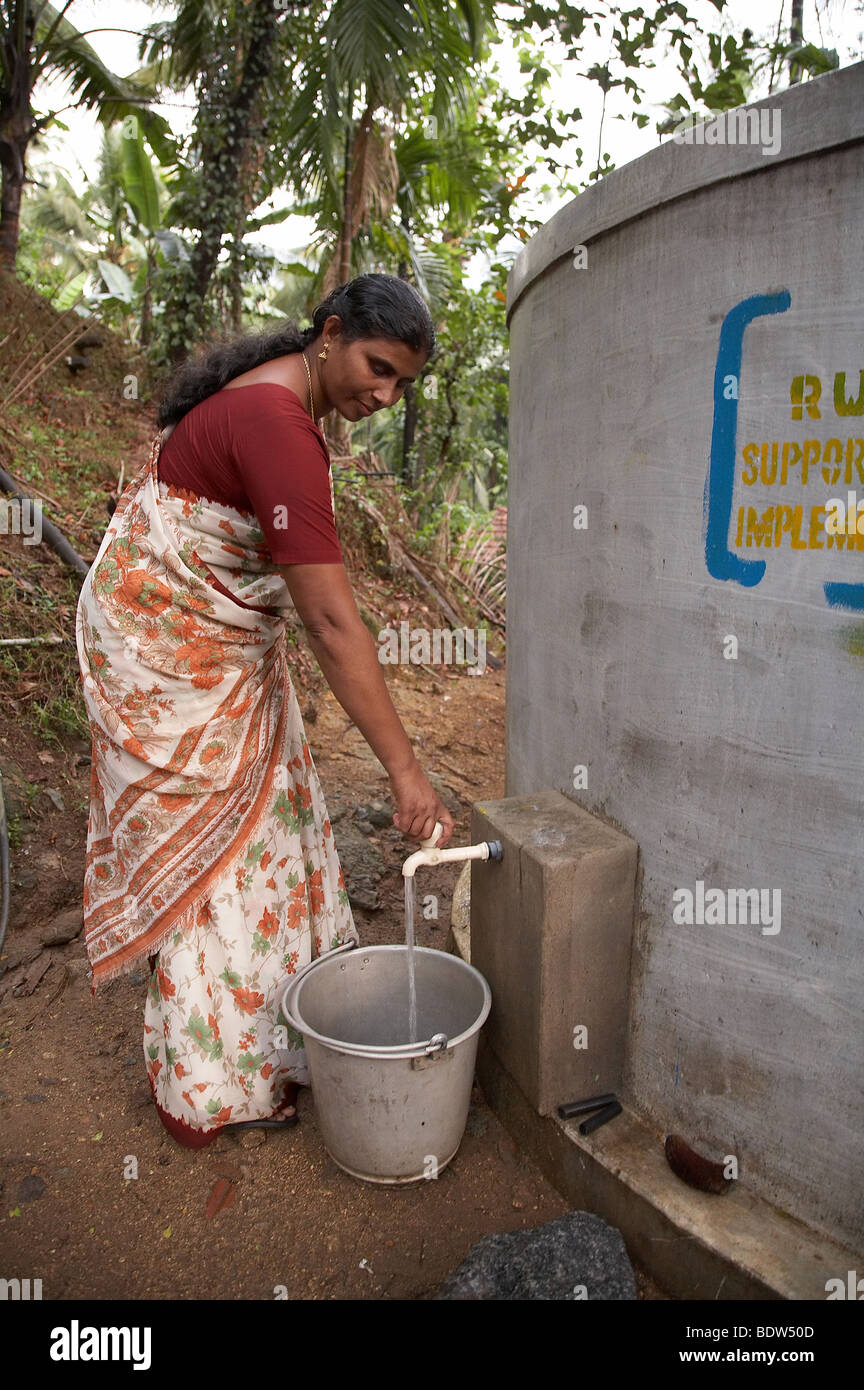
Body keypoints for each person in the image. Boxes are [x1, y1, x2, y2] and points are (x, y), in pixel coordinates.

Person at [75, 273, 455, 1149]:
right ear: (328, 335)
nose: (385, 393)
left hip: (204, 637)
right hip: (164, 649)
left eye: (402, 383)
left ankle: (276, 1042)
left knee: (273, 816)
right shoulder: (277, 425)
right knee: (224, 852)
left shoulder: (286, 400)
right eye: (378, 367)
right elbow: (327, 618)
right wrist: (406, 772)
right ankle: (200, 1089)